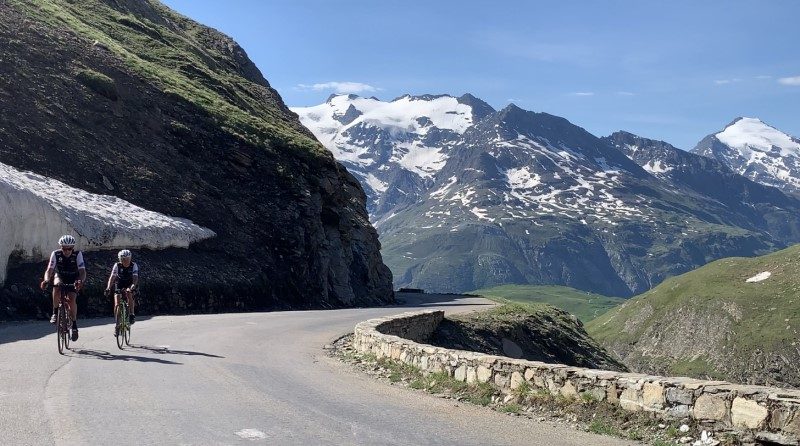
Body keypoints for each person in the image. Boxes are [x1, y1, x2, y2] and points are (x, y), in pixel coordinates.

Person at [40, 235, 86, 341]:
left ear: (72, 248)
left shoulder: (77, 254)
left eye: (69, 248)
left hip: (73, 278)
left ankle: (74, 325)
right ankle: (55, 313)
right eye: (64, 248)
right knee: (56, 287)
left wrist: (80, 281)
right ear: (61, 247)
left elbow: (82, 271)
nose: (66, 251)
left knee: (71, 300)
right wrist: (46, 280)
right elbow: (50, 269)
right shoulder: (55, 254)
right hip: (60, 276)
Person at [105, 249, 138, 335]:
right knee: (117, 302)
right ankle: (117, 325)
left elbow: (135, 277)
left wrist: (133, 286)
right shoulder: (117, 265)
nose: (126, 261)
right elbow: (112, 277)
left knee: (129, 293)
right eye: (123, 259)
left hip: (130, 283)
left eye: (127, 259)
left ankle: (131, 313)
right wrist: (108, 287)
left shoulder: (134, 265)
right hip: (119, 283)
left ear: (130, 258)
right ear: (120, 259)